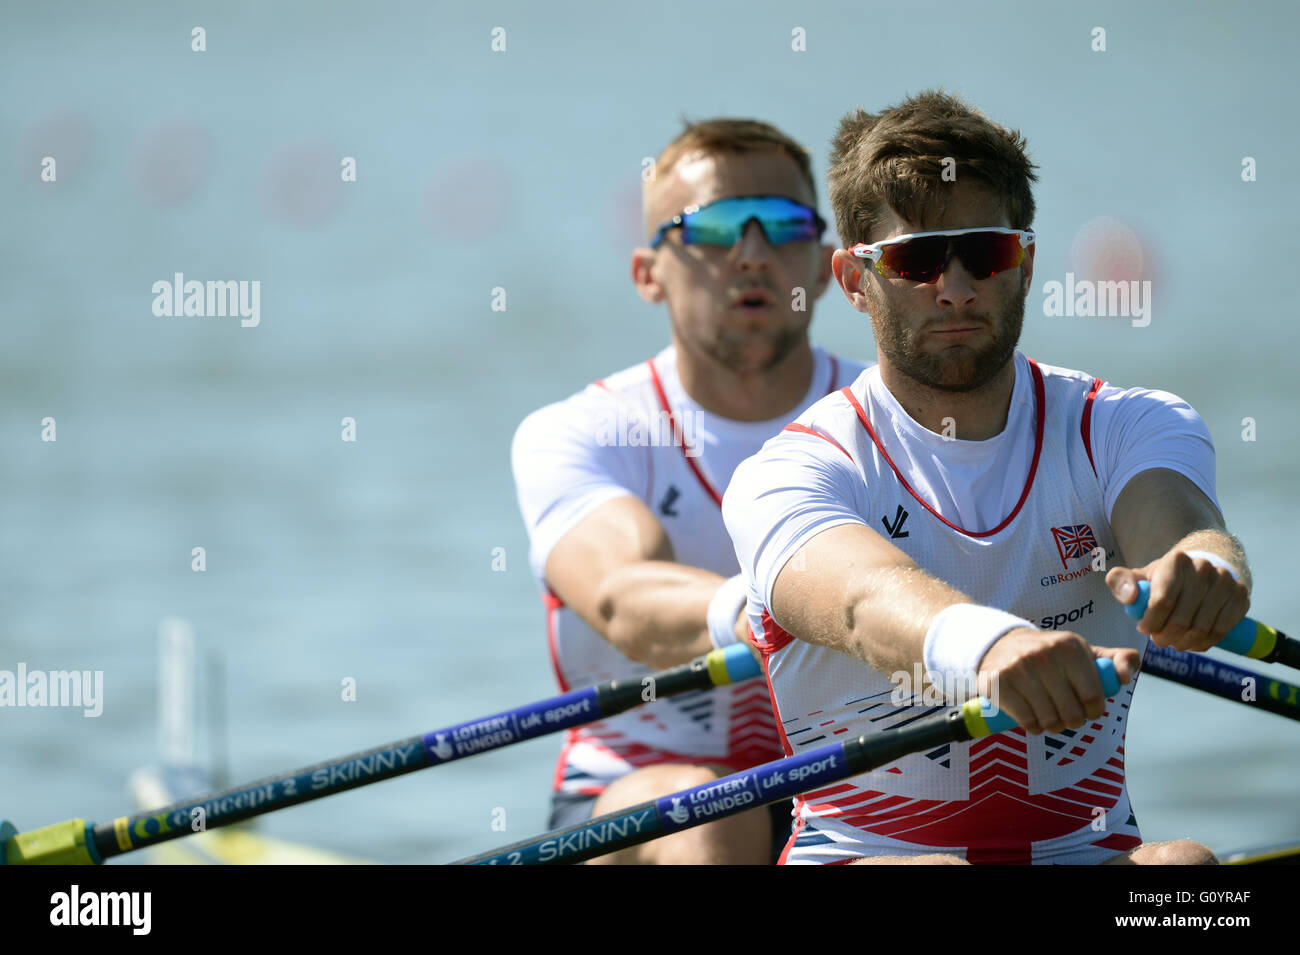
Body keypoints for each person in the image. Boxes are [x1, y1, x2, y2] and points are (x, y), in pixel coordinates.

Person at [721, 91, 1250, 865]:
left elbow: (1176, 523)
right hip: (864, 854)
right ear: (853, 278)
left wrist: (1204, 571)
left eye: (988, 254)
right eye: (918, 260)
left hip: (1083, 851)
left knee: (1187, 870)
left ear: (1027, 260)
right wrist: (990, 647)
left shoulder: (1129, 423)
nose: (958, 288)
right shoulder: (791, 472)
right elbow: (865, 603)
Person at [510, 118, 869, 864]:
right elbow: (622, 597)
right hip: (638, 800)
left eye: (781, 226)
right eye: (714, 228)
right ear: (649, 272)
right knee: (711, 813)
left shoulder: (891, 422)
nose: (751, 255)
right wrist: (771, 608)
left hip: (849, 797)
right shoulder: (583, 431)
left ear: (826, 263)